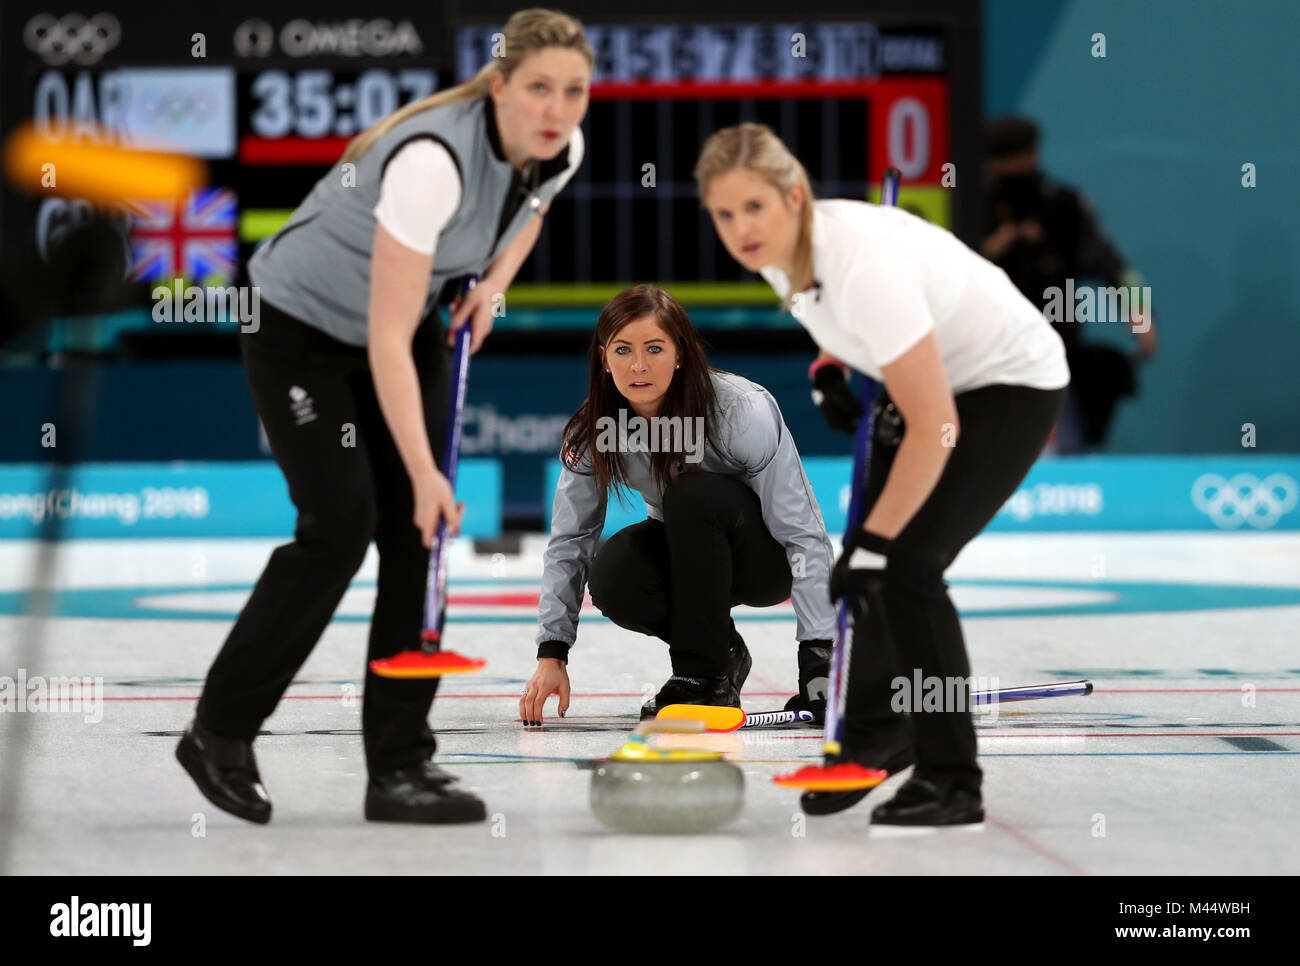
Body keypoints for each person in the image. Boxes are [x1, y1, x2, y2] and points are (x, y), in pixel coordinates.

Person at [175, 8, 592, 825]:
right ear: (499, 86)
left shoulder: (560, 149)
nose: (557, 109)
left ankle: (400, 765)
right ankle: (218, 732)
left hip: (400, 324)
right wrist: (429, 473)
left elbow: (534, 209)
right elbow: (386, 342)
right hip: (298, 326)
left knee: (417, 534)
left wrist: (491, 286)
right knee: (342, 523)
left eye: (574, 91)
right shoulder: (431, 161)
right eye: (539, 88)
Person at [695, 123, 1069, 827]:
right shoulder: (780, 254)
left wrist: (874, 544)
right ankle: (873, 737)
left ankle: (953, 779)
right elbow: (840, 321)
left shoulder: (864, 265)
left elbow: (939, 425)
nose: (740, 227)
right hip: (932, 380)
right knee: (874, 569)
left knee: (904, 566)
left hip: (1005, 385)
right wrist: (831, 366)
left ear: (795, 197)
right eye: (724, 213)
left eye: (754, 207)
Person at [520, 284, 838, 726]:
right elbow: (570, 540)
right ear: (603, 358)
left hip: (763, 562)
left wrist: (820, 658)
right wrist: (552, 653)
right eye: (623, 350)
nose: (638, 365)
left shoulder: (741, 411)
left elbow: (802, 532)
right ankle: (719, 659)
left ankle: (698, 675)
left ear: (681, 354)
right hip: (691, 561)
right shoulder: (594, 432)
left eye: (654, 348)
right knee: (614, 573)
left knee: (692, 494)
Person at [983, 114, 1156, 452]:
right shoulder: (969, 207)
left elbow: (1118, 269)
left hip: (1055, 357)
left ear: (1033, 154)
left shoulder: (1065, 205)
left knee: (1059, 456)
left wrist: (1140, 313)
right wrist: (991, 248)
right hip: (983, 360)